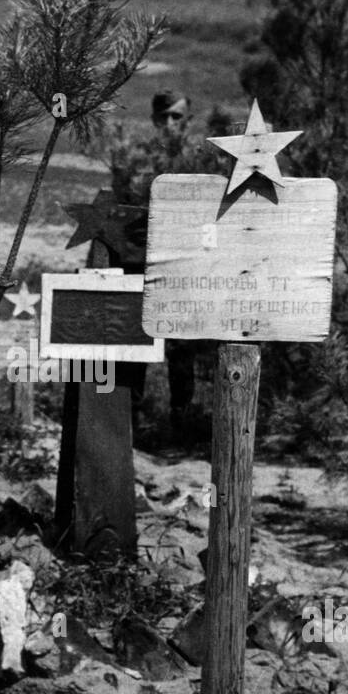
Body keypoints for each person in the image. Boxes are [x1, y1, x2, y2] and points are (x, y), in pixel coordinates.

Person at [104, 93, 226, 442]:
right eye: (163, 117)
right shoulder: (138, 160)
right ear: (154, 118)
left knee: (182, 349)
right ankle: (131, 425)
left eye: (177, 117)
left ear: (187, 120)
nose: (169, 124)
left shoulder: (200, 159)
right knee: (135, 344)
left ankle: (181, 423)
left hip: (186, 264)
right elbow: (122, 210)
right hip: (142, 260)